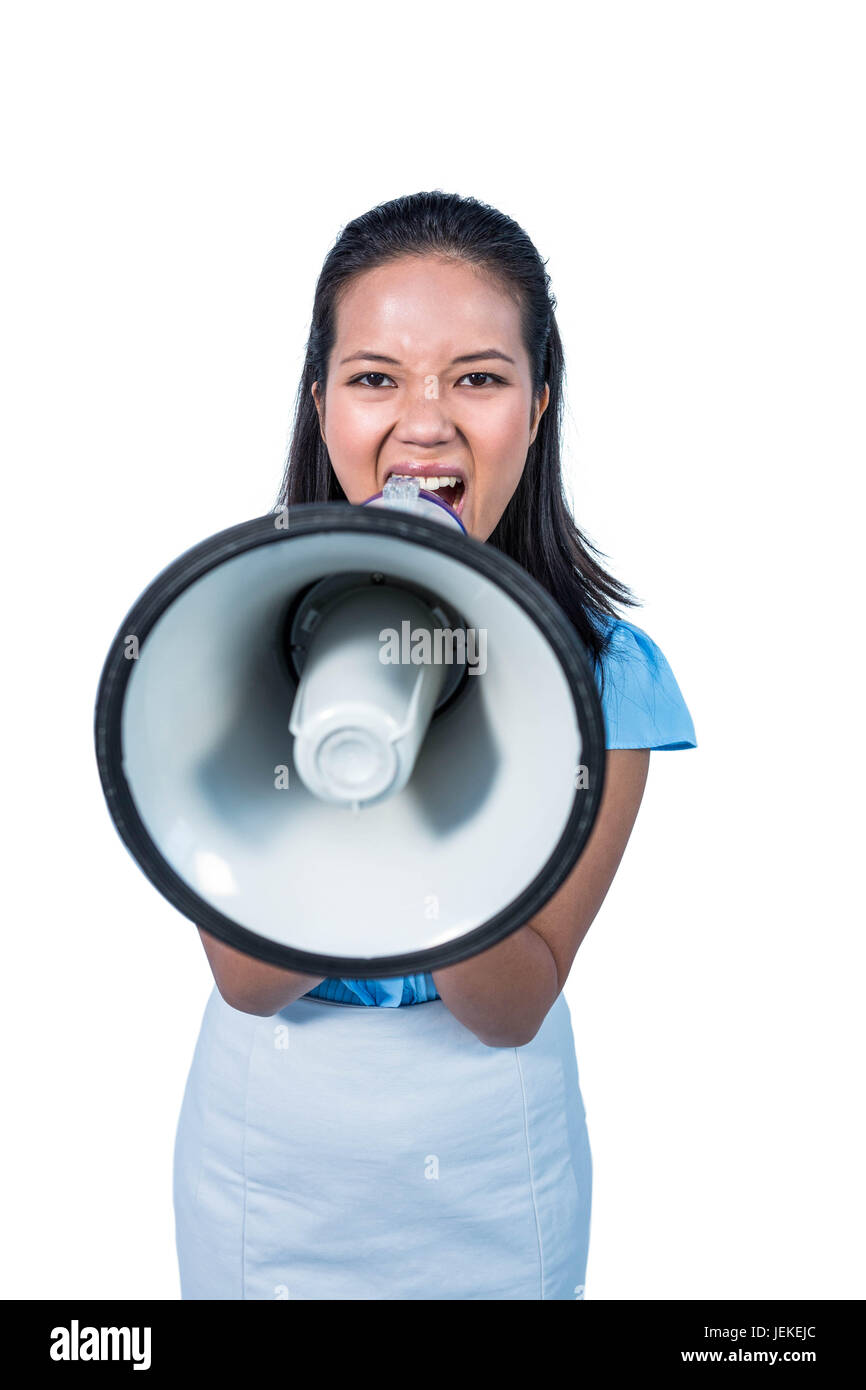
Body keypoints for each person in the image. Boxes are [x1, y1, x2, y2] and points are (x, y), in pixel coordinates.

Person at [173, 190, 697, 1300]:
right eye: (375, 377)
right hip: (271, 1169)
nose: (425, 420)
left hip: (489, 1175)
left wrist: (437, 730)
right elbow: (252, 980)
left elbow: (504, 1010)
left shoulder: (606, 677)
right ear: (320, 407)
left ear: (537, 406)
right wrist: (353, 696)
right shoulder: (229, 634)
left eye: (477, 376)